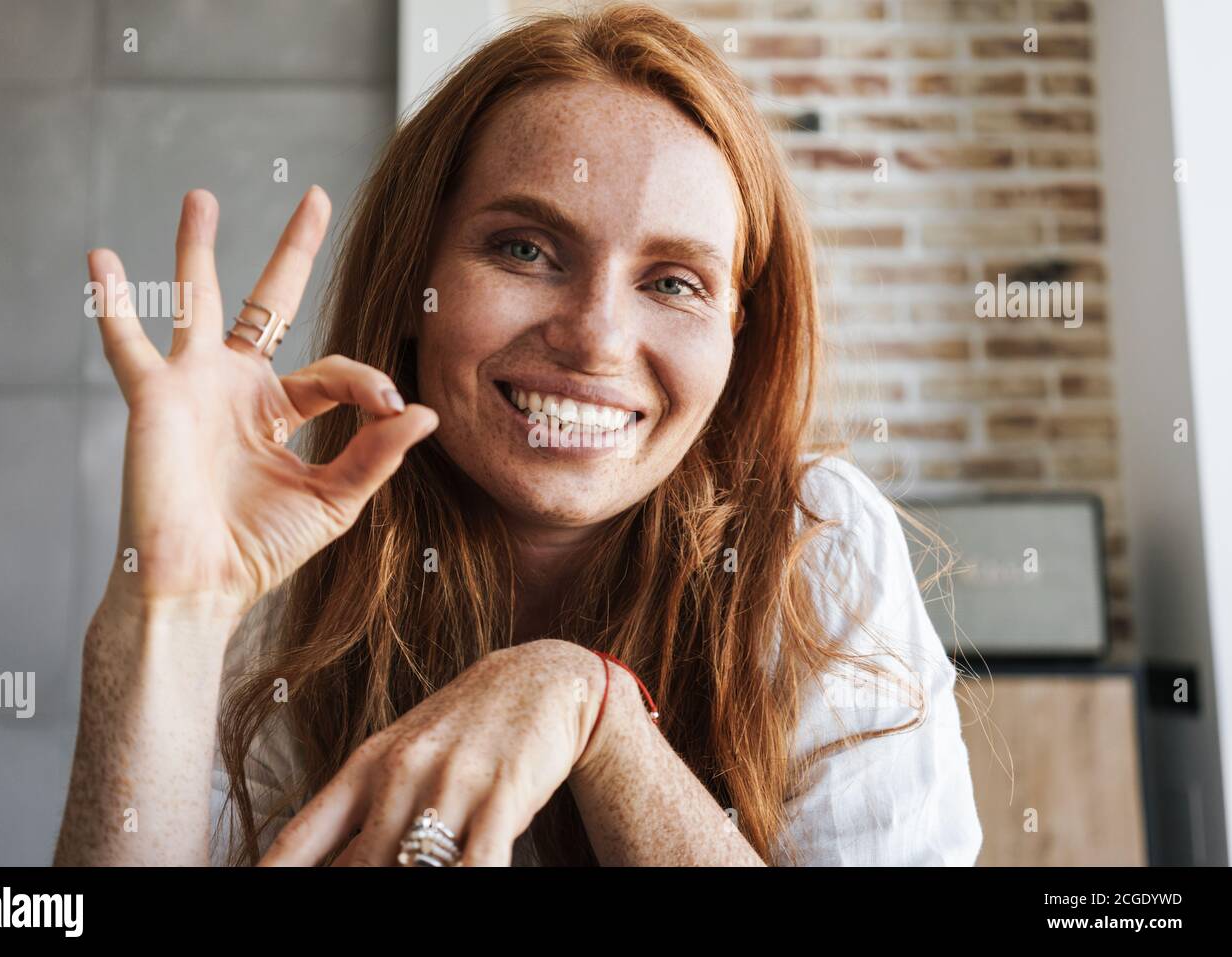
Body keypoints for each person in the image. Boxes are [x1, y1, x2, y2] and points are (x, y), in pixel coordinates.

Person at [54, 2, 982, 867]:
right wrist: (164, 617)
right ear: (415, 281)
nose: (595, 337)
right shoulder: (288, 580)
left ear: (741, 328)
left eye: (673, 281)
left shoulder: (815, 546)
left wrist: (595, 710)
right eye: (525, 250)